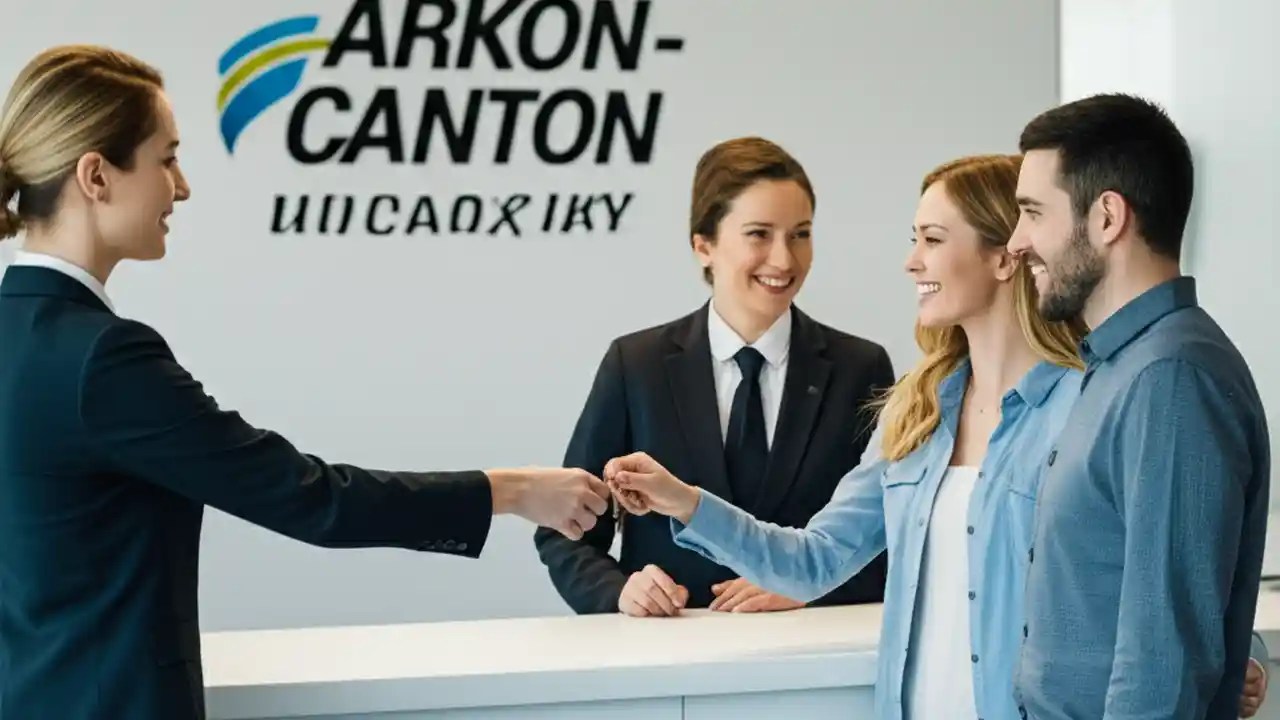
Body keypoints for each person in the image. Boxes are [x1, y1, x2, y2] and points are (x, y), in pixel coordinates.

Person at [0, 45, 609, 720]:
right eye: (166, 157)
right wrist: (514, 490)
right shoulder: (104, 360)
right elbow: (313, 500)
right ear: (96, 176)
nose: (183, 185)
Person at [601, 154, 1269, 719]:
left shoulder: (1088, 402)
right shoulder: (916, 413)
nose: (911, 261)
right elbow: (812, 562)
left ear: (1005, 257)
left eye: (931, 238)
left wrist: (1245, 657)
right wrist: (685, 501)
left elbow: (1167, 576)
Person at [534, 136, 894, 616]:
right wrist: (619, 591)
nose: (785, 259)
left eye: (800, 234)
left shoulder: (860, 368)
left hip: (809, 656)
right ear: (703, 245)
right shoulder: (636, 364)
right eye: (759, 234)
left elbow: (892, 536)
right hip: (673, 653)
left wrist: (807, 585)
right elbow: (566, 531)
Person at [1006, 93, 1271, 719]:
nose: (1017, 242)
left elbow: (1162, 664)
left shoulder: (1172, 379)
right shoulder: (1121, 368)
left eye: (1032, 213)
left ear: (1106, 217)